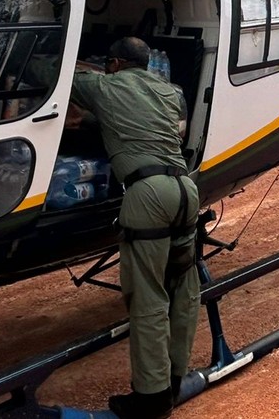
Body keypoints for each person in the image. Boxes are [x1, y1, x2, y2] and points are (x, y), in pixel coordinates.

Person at [69, 37, 198, 419]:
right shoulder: (168, 91)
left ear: (114, 63)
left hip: (148, 195)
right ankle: (174, 380)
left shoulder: (105, 85)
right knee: (183, 288)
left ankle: (152, 397)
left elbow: (52, 71)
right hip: (185, 189)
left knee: (148, 297)